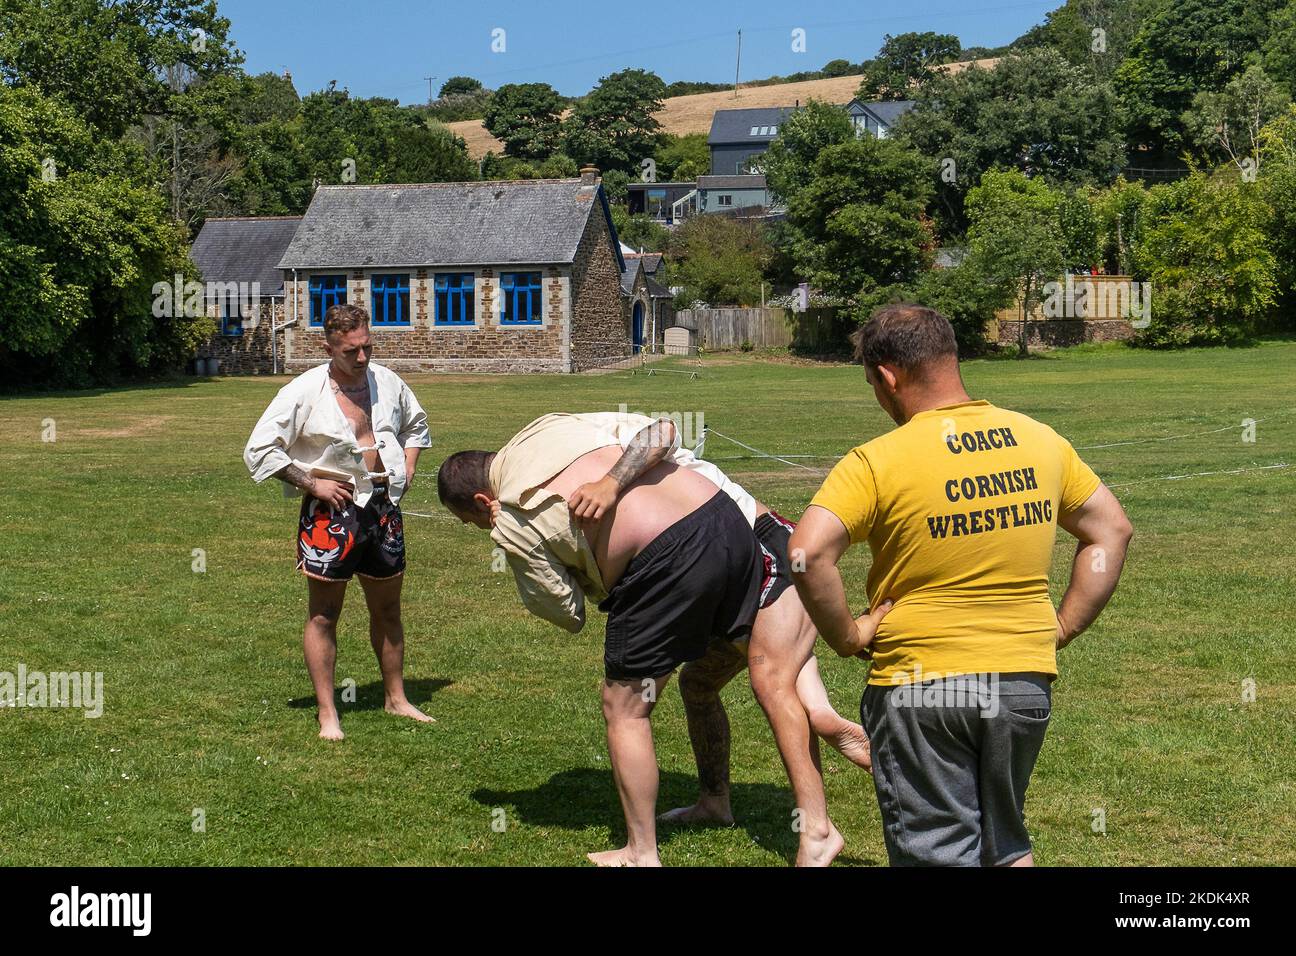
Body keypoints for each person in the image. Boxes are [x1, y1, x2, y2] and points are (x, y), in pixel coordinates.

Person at [790, 304, 1133, 867]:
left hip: (921, 684)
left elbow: (806, 553)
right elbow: (1111, 531)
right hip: (1022, 682)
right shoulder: (1041, 440)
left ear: (888, 376)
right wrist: (1063, 625)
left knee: (939, 850)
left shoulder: (875, 461)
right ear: (950, 357)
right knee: (1006, 844)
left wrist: (849, 636)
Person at [438, 412, 857, 866]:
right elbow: (663, 430)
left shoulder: (510, 516)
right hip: (725, 520)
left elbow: (567, 613)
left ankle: (641, 852)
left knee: (625, 709)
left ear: (483, 501)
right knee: (723, 680)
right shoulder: (550, 424)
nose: (478, 530)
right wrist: (614, 479)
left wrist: (512, 541)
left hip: (665, 562)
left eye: (471, 522)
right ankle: (730, 801)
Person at [565, 416, 872, 866]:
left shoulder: (627, 443)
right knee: (700, 684)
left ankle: (818, 830)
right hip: (737, 564)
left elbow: (664, 429)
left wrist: (610, 483)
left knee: (771, 680)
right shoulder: (619, 462)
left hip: (763, 548)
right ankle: (716, 799)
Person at [244, 303, 433, 741]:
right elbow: (260, 449)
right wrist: (312, 484)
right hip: (330, 510)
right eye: (351, 351)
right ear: (327, 346)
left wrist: (408, 467)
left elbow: (417, 426)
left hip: (383, 508)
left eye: (367, 347)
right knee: (325, 614)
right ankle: (328, 713)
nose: (363, 358)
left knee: (387, 609)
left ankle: (396, 698)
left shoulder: (387, 382)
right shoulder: (304, 390)